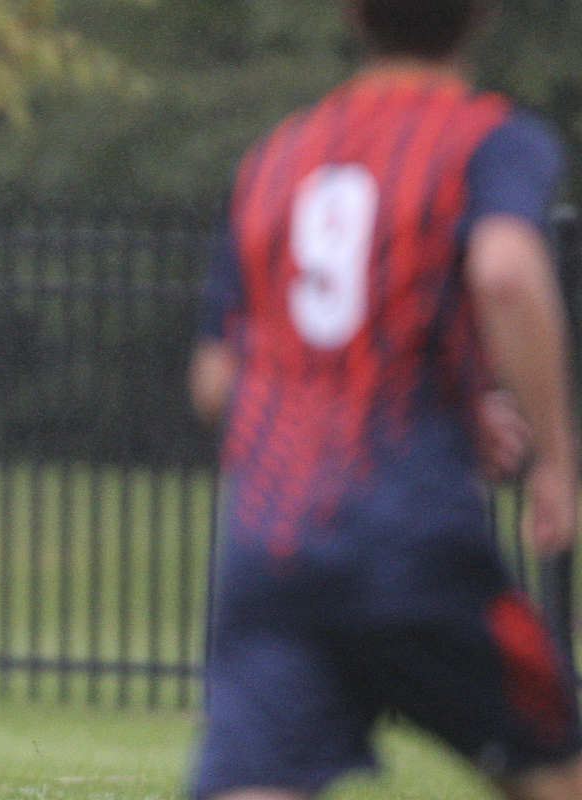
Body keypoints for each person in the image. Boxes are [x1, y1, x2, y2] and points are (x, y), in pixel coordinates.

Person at [186, 0, 582, 797]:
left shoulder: (278, 155)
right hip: (410, 537)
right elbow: (504, 271)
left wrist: (403, 404)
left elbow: (216, 380)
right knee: (553, 766)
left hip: (272, 544)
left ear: (353, 16)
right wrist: (556, 458)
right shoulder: (489, 137)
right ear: (481, 14)